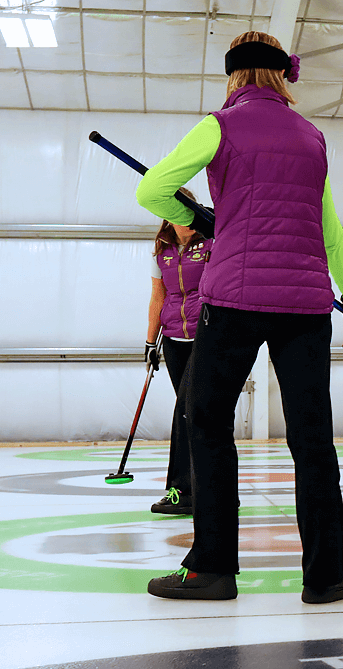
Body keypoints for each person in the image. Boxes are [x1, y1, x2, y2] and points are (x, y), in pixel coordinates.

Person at [135, 30, 343, 604]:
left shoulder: (219, 125)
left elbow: (153, 190)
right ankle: (325, 576)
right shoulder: (312, 137)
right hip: (304, 306)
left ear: (234, 75)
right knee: (311, 440)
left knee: (207, 422)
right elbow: (329, 230)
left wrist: (197, 219)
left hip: (233, 300)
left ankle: (212, 567)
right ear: (282, 75)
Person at [146, 190, 209, 516]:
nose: (183, 222)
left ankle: (182, 490)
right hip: (172, 339)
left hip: (205, 336)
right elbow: (158, 297)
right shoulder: (161, 250)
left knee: (186, 409)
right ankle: (207, 490)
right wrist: (149, 341)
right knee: (194, 412)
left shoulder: (211, 241)